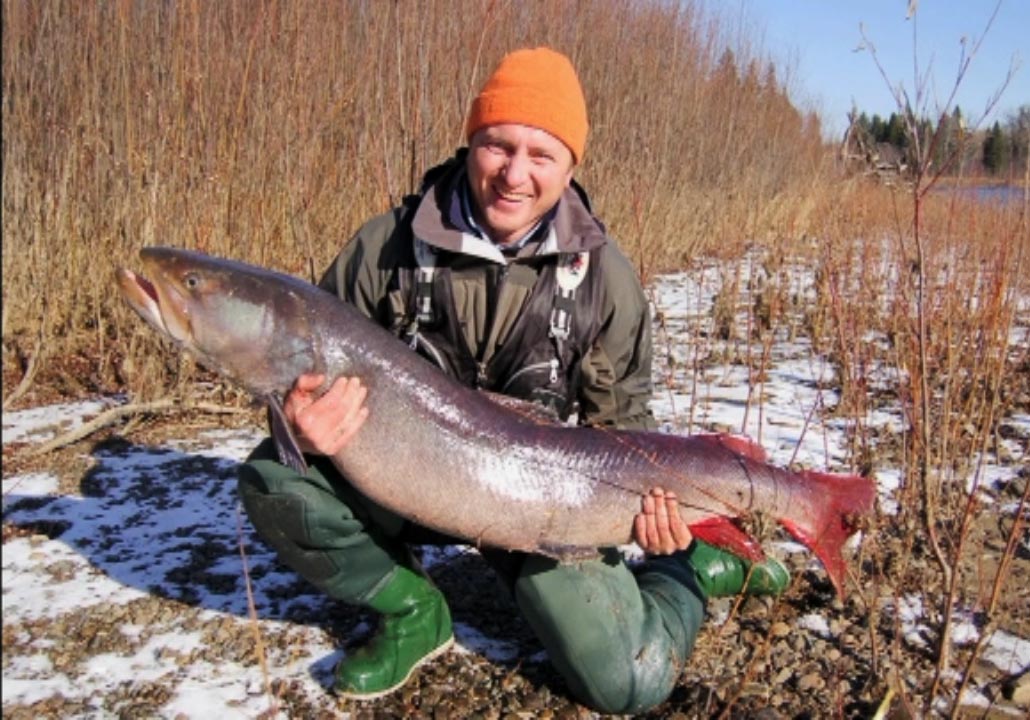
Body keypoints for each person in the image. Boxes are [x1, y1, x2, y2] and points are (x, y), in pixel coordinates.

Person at [237, 47, 789, 714]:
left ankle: (693, 570)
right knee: (276, 478)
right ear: (472, 141)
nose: (514, 175)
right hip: (406, 481)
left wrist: (664, 519)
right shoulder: (384, 246)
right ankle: (413, 610)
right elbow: (303, 371)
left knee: (629, 685)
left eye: (541, 154)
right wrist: (299, 426)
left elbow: (627, 436)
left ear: (571, 166)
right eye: (498, 146)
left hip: (548, 509)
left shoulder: (607, 280)